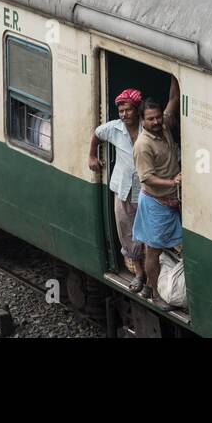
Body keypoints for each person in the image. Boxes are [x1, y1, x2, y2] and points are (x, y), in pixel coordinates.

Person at [89, 89, 147, 292]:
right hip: (123, 187)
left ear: (137, 110)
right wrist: (92, 157)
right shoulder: (114, 128)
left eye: (128, 110)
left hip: (144, 187)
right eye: (121, 110)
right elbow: (96, 134)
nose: (123, 114)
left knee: (146, 229)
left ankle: (151, 273)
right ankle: (139, 274)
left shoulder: (146, 128)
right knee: (126, 229)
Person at [132, 98, 181, 306]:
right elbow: (147, 177)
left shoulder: (165, 126)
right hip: (156, 202)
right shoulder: (143, 145)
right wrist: (172, 181)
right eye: (150, 119)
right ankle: (155, 293)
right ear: (142, 121)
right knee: (153, 249)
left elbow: (172, 100)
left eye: (158, 117)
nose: (156, 121)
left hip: (172, 199)